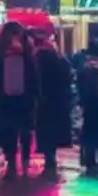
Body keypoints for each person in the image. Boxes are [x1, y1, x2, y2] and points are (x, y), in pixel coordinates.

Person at [0, 21, 39, 175]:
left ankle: (14, 160)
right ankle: (20, 159)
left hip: (8, 98)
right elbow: (33, 75)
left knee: (13, 129)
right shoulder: (27, 52)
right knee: (21, 129)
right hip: (19, 98)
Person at [36, 45, 74, 175]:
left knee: (46, 133)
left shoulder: (40, 62)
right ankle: (51, 160)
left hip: (46, 103)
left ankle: (49, 161)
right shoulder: (62, 63)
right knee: (54, 133)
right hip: (59, 102)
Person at [76, 49, 98, 172]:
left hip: (89, 107)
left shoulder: (82, 73)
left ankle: (89, 160)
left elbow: (80, 90)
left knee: (89, 134)